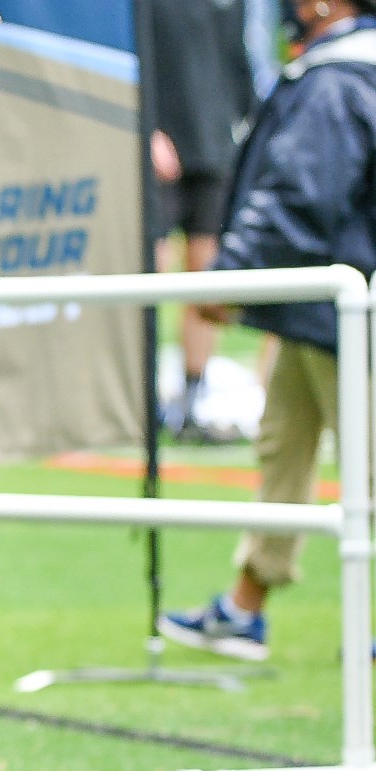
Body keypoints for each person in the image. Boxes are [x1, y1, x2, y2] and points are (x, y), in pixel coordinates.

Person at [159, 0, 376, 663]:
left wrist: (231, 277)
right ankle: (245, 608)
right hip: (318, 305)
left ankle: (245, 610)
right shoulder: (337, 69)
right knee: (284, 448)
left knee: (365, 465)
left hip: (345, 305)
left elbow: (299, 197)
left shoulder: (338, 78)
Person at [148, 0, 266, 443]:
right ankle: (140, 398)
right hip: (160, 147)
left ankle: (193, 401)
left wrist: (247, 131)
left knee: (208, 277)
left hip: (215, 147)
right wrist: (146, 127)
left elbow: (240, 64)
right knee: (149, 274)